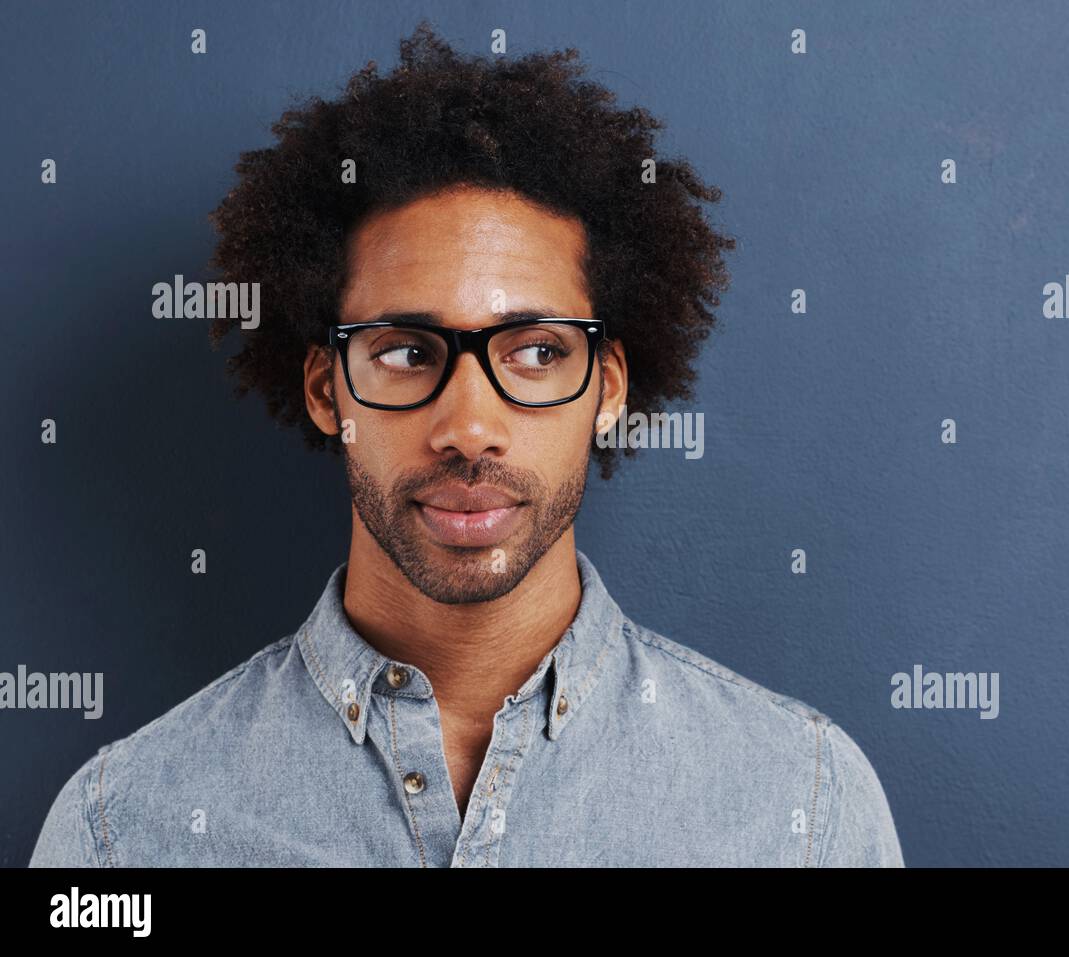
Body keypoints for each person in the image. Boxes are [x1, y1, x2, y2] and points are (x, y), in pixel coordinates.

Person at [30, 22, 902, 867]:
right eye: (408, 353)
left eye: (535, 351)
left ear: (608, 386)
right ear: (327, 389)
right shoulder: (120, 833)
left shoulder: (804, 812)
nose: (470, 428)